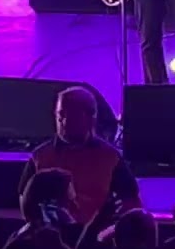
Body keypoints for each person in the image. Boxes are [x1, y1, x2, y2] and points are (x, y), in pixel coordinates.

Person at [18, 87, 141, 223]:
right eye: (61, 114)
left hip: (94, 233)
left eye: (72, 116)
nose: (64, 122)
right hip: (52, 232)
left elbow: (131, 199)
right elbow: (25, 200)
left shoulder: (110, 157)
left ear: (91, 118)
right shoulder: (40, 156)